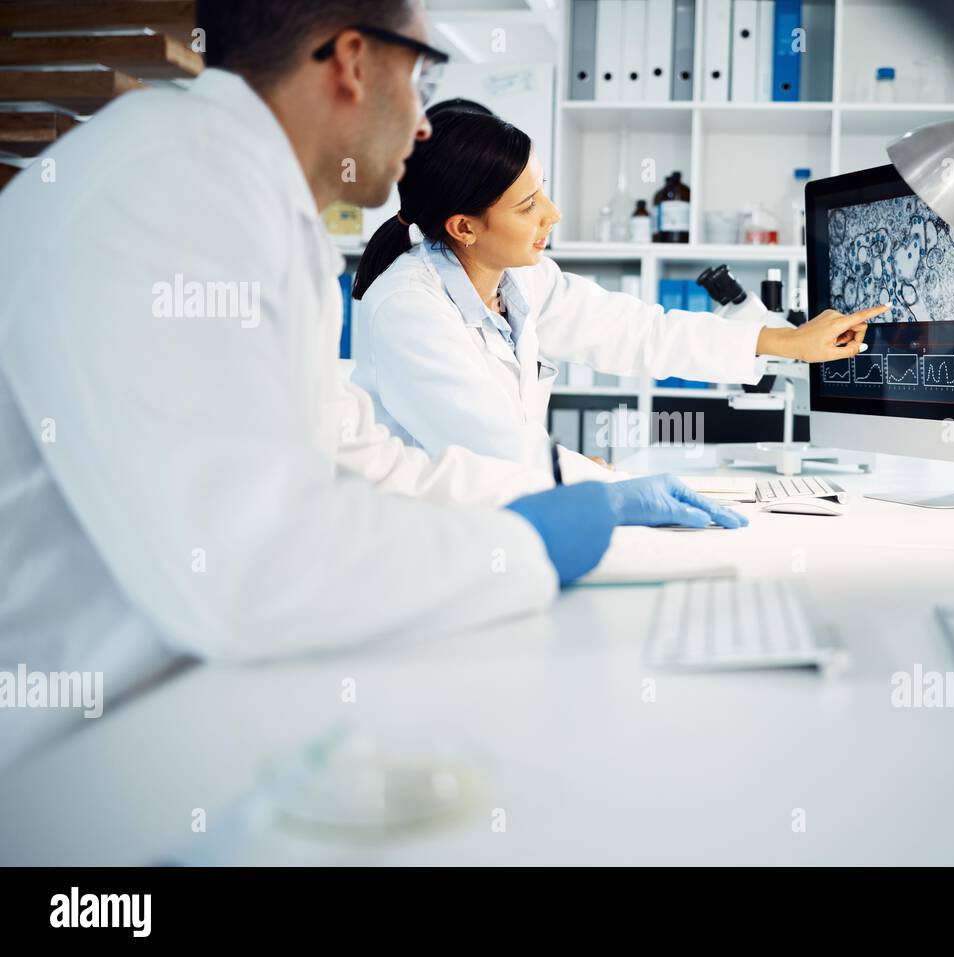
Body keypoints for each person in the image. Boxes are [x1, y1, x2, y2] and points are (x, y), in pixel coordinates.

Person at [0, 0, 740, 768]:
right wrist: (524, 546)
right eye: (422, 75)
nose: (423, 123)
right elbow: (254, 572)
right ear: (353, 62)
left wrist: (552, 505)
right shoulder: (176, 192)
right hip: (70, 764)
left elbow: (364, 457)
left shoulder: (250, 201)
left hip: (169, 705)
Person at [350, 109, 885, 481]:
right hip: (421, 536)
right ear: (465, 227)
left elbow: (638, 332)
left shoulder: (522, 280)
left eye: (544, 192)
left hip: (500, 511)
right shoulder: (409, 308)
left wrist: (786, 342)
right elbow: (488, 448)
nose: (553, 214)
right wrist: (587, 476)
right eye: (527, 205)